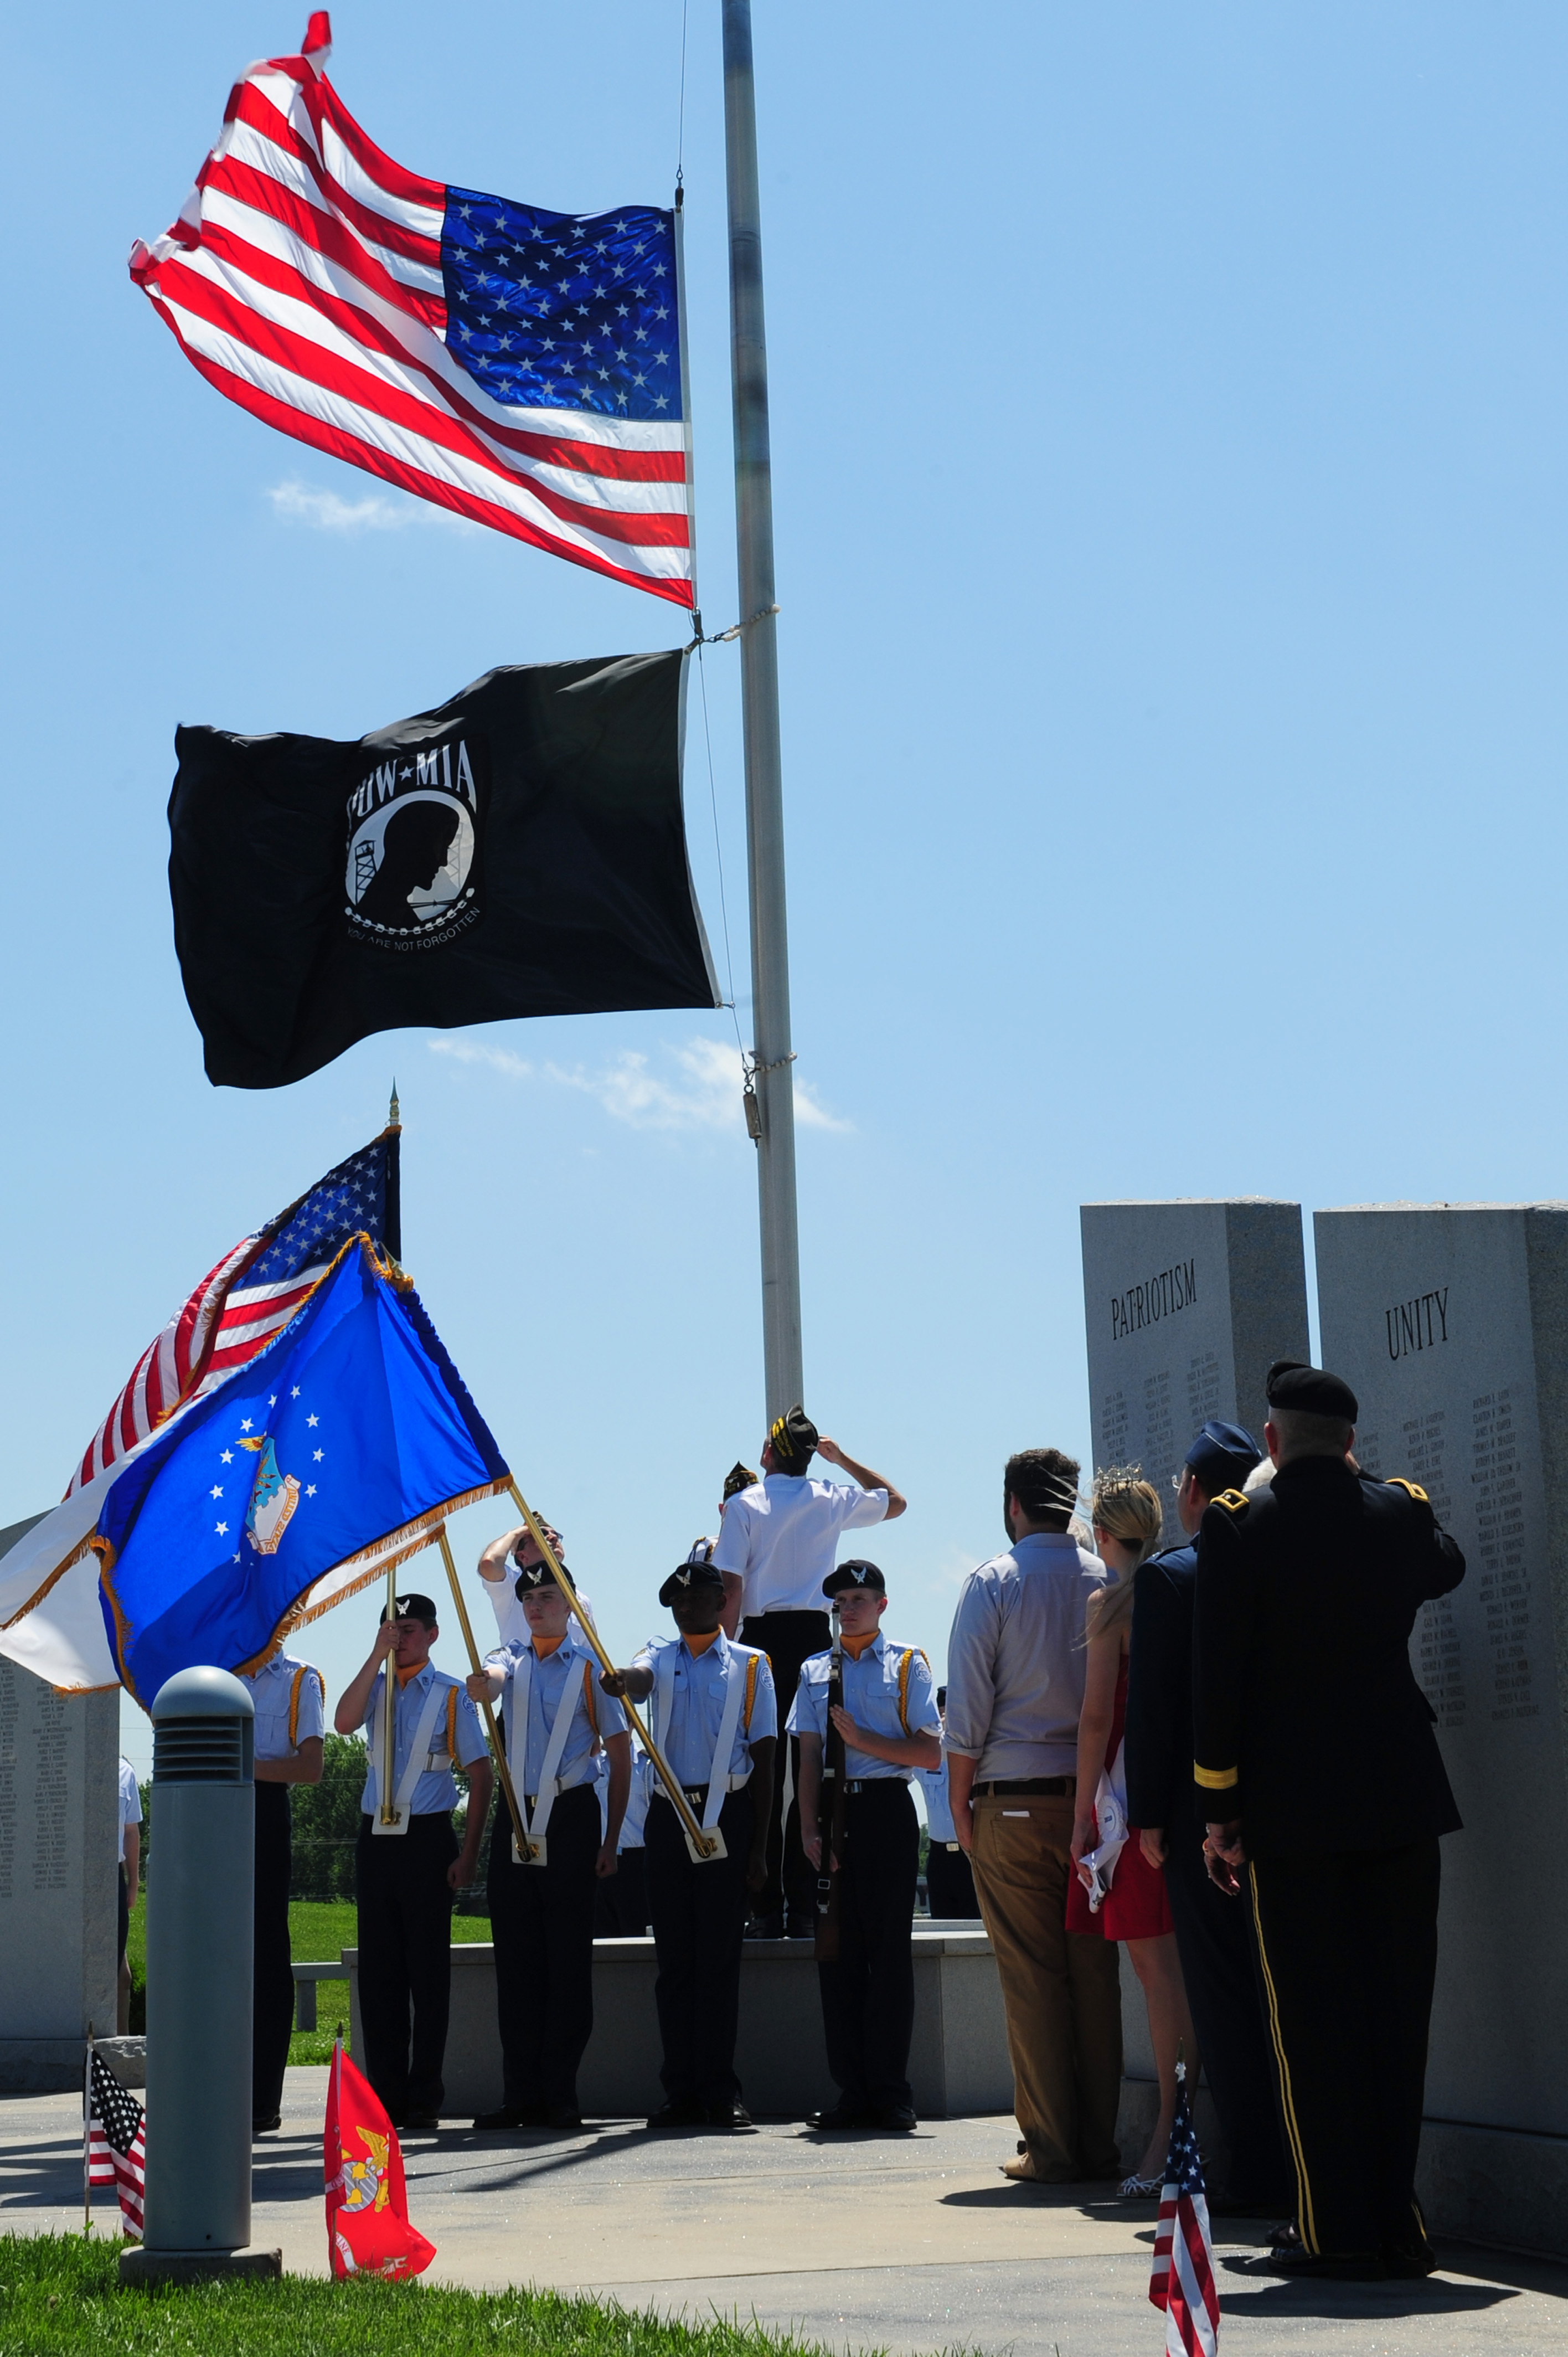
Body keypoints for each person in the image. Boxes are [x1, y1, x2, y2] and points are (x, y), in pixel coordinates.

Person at [1193, 1360, 1466, 2279]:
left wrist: (1220, 1812)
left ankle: (1331, 2230)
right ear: (1350, 1444)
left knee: (1313, 2026)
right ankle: (1397, 2226)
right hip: (1400, 1800)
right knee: (1396, 2021)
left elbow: (1218, 1680)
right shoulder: (1398, 1513)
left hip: (1292, 1811)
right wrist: (1374, 1486)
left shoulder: (1240, 1527)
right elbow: (1447, 1562)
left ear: (1268, 1443)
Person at [1123, 1418, 1292, 2217]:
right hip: (1289, 1808)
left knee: (1224, 1996)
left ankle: (1255, 2172)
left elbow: (1155, 1715)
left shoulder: (1169, 1578)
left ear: (1191, 1491)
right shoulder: (1278, 1550)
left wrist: (1150, 1817)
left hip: (1200, 1814)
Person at [943, 1447, 1123, 2186]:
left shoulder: (993, 1583)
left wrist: (959, 1807)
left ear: (1013, 1505)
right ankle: (1100, 2144)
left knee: (1032, 1980)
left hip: (1011, 1806)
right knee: (1093, 1976)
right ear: (1072, 1503)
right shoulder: (1108, 1579)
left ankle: (1050, 2148)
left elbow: (968, 1715)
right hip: (1093, 1808)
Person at [712, 1407, 906, 1938]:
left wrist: (725, 1653)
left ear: (769, 1453)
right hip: (817, 1642)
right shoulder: (830, 1493)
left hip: (760, 1641)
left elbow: (729, 1588)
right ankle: (805, 1903)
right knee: (811, 1776)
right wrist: (842, 1459)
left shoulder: (744, 1503)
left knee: (763, 1779)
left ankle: (766, 1906)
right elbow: (896, 1502)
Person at [600, 1556, 775, 2129]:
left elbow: (769, 1755)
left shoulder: (752, 1666)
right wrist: (624, 1684)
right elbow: (640, 1677)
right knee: (675, 1961)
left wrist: (760, 1850)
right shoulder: (658, 1654)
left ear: (721, 1600)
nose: (684, 1608)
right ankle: (679, 2088)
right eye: (677, 1601)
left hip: (729, 1815)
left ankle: (721, 2089)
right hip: (669, 1820)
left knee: (719, 1961)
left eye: (695, 1598)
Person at [1066, 1469, 1199, 2197]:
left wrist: (1083, 1816)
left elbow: (1094, 1720)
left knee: (1157, 1977)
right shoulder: (1184, 1584)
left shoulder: (1111, 1601)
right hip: (1179, 1799)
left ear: (1107, 1536)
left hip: (1127, 1805)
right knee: (1174, 1973)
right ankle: (1177, 2133)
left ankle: (1169, 2137)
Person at [466, 1552, 630, 2129]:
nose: (536, 1607)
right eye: (529, 1599)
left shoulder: (590, 1667)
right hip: (517, 1813)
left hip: (570, 1812)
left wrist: (611, 1837)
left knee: (566, 1960)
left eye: (547, 1598)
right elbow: (494, 1680)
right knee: (517, 1961)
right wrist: (482, 1686)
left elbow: (619, 1750)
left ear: (569, 1605)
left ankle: (561, 2092)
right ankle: (520, 2093)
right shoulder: (508, 1656)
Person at [790, 1561, 942, 2131]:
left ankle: (890, 2089)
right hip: (833, 1811)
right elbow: (806, 1755)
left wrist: (864, 1739)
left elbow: (930, 1751)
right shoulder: (813, 1669)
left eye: (858, 1598)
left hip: (885, 1810)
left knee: (889, 1955)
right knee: (838, 1954)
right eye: (839, 1600)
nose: (847, 1608)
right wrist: (807, 1827)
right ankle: (851, 2089)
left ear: (882, 1603)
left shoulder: (907, 1662)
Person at [334, 1593, 492, 2131]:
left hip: (427, 1838)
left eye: (408, 1628)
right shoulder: (374, 1688)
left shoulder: (450, 1694)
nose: (399, 1637)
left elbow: (480, 1772)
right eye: (391, 1628)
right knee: (380, 1974)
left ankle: (425, 2092)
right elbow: (342, 1720)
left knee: (427, 1973)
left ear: (431, 1634)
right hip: (376, 1838)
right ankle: (386, 2095)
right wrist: (371, 1655)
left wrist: (469, 1853)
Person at [239, 1651, 325, 2133]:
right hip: (216, 1808)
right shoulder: (216, 1670)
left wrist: (245, 1767)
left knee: (266, 1953)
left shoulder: (299, 1679)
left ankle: (261, 2100)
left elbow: (310, 1767)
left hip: (265, 1812)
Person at [476, 1519, 593, 1649]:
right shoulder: (512, 1586)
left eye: (556, 1534)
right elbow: (489, 1564)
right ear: (522, 1556)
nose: (553, 1537)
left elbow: (592, 1652)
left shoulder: (580, 1599)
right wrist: (516, 1533)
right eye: (541, 1534)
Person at [918, 1690, 980, 1921]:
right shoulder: (926, 1763)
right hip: (939, 1857)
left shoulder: (975, 1759)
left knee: (978, 1925)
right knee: (941, 1923)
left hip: (970, 1853)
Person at [594, 1744, 653, 1937]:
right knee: (602, 1941)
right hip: (600, 1863)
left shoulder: (647, 1766)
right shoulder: (593, 1765)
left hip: (635, 1864)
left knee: (637, 1937)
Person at [116, 1758, 142, 2036]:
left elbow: (131, 1832)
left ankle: (116, 2043)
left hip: (114, 1877)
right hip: (78, 1874)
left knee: (118, 1972)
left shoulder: (125, 1772)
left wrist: (133, 1883)